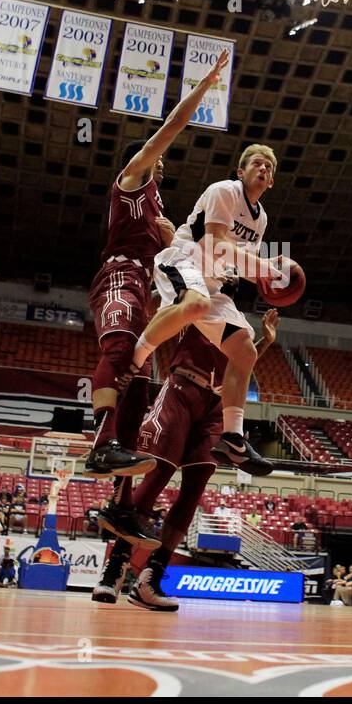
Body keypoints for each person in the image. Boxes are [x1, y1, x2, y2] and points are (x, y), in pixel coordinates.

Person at [85, 49, 230, 486]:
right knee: (118, 353)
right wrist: (205, 87)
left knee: (141, 380)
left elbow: (198, 260)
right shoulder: (130, 181)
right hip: (118, 275)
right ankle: (101, 444)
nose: (161, 164)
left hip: (146, 289)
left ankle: (121, 498)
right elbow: (170, 129)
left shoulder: (160, 211)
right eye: (156, 159)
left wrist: (172, 242)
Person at [117, 140, 286, 478]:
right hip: (184, 259)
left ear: (270, 182)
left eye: (268, 168)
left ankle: (233, 437)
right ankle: (133, 362)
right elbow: (213, 242)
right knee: (195, 302)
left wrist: (271, 278)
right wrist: (266, 265)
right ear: (241, 171)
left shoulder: (261, 219)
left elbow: (238, 263)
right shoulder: (225, 190)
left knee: (244, 350)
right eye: (255, 163)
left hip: (214, 281)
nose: (262, 169)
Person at [93, 310, 281, 610]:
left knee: (194, 489)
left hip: (217, 403)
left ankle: (151, 577)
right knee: (157, 475)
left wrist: (265, 342)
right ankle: (116, 567)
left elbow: (240, 362)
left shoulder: (238, 319)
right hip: (181, 389)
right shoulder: (197, 293)